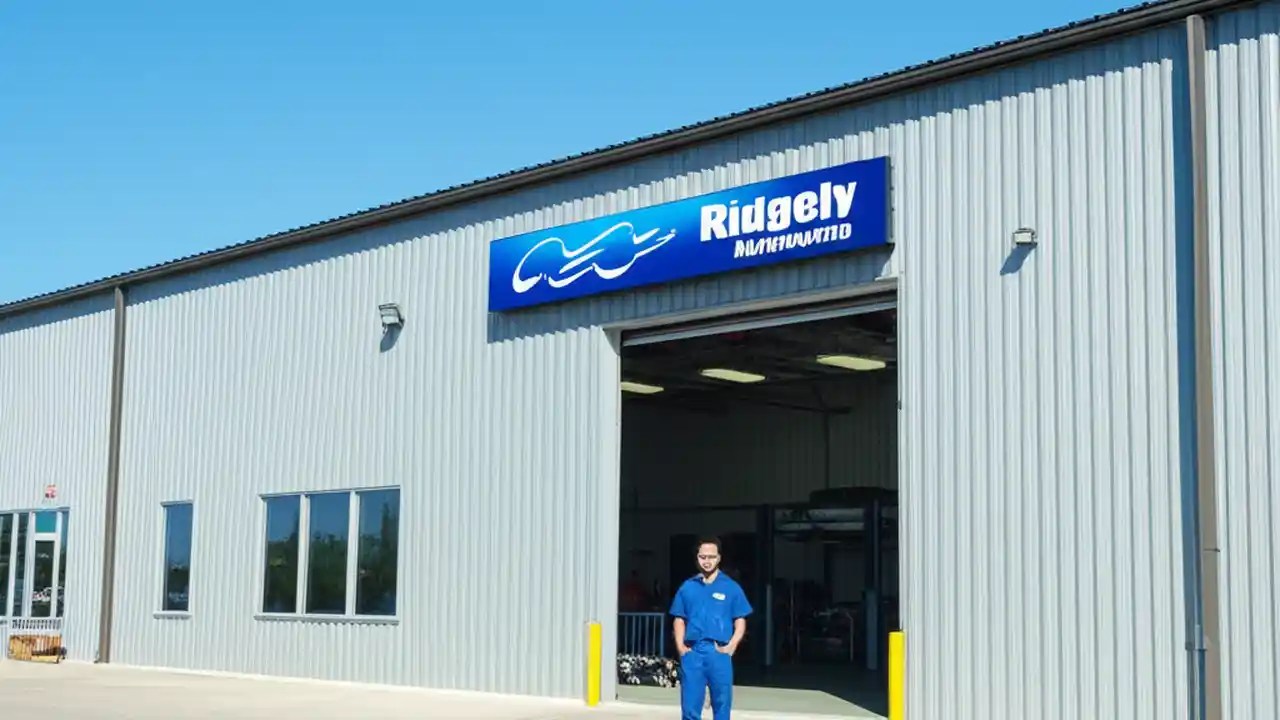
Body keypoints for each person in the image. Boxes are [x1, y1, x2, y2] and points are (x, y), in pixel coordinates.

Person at [668, 536, 753, 720]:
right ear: (697, 558)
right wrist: (681, 648)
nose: (707, 561)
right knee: (690, 708)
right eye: (703, 557)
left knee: (722, 705)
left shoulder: (731, 587)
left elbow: (740, 619)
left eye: (711, 557)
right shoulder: (687, 588)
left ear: (719, 558)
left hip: (719, 653)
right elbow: (679, 618)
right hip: (693, 653)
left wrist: (731, 646)